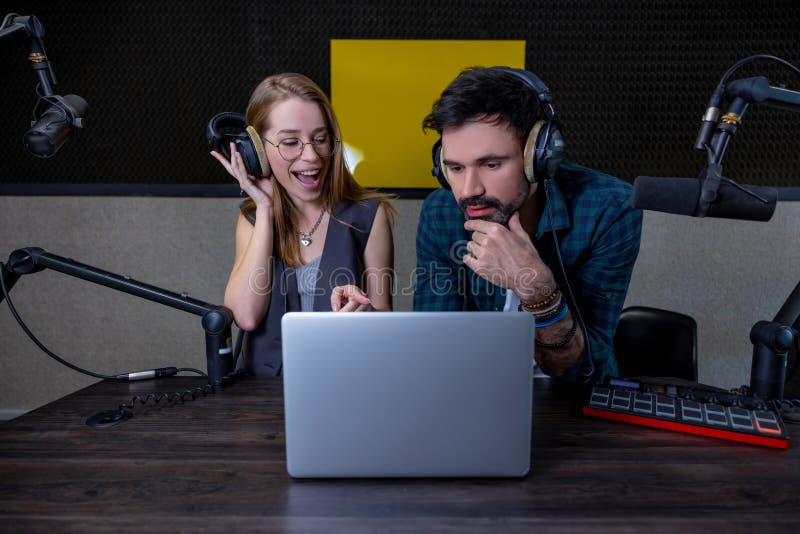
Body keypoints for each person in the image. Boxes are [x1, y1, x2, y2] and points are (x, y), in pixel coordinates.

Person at [414, 66, 642, 382]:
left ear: (539, 157)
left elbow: (586, 371)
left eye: (491, 164)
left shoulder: (610, 209)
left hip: (567, 402)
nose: (468, 191)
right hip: (477, 394)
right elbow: (434, 350)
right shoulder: (440, 213)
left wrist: (536, 290)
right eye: (454, 168)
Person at [211, 73, 394, 376]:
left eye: (320, 139)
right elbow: (246, 316)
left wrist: (367, 313)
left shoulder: (369, 216)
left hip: (345, 385)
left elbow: (386, 326)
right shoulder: (253, 219)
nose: (311, 156)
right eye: (291, 142)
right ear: (256, 151)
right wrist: (266, 208)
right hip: (260, 401)